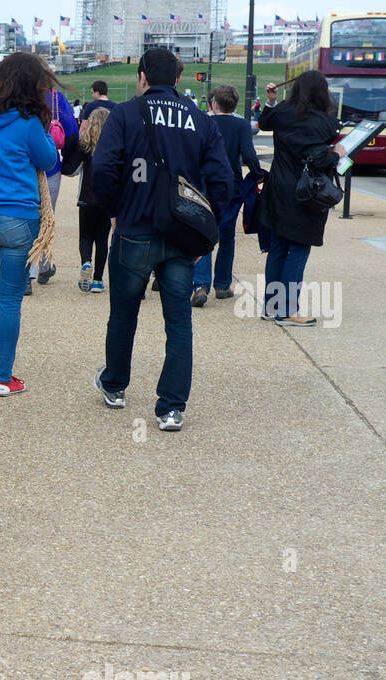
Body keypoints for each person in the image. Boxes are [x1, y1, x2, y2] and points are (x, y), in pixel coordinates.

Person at [90, 47, 231, 432]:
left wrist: (114, 207)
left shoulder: (125, 114)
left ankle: (116, 385)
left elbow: (103, 169)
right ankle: (171, 407)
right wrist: (210, 220)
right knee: (178, 321)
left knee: (123, 313)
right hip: (182, 233)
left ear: (142, 76)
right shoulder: (201, 121)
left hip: (135, 226)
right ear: (178, 79)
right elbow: (222, 181)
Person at [0, 51, 64, 397]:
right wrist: (45, 131)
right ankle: (3, 377)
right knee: (11, 300)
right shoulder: (27, 122)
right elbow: (49, 161)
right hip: (18, 218)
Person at [258, 75, 347, 325]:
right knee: (298, 249)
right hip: (305, 192)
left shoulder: (283, 112)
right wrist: (337, 154)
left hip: (277, 187)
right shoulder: (325, 121)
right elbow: (317, 159)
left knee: (277, 248)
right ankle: (287, 310)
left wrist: (271, 101)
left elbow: (264, 123)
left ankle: (271, 305)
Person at [191, 84, 263, 306]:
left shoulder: (203, 122)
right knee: (227, 236)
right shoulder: (242, 125)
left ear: (213, 103)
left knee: (203, 235)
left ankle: (200, 284)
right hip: (231, 185)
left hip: (205, 183)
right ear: (235, 104)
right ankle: (222, 284)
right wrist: (258, 173)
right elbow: (249, 154)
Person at [61, 106, 111, 293]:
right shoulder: (113, 148)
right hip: (106, 200)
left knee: (86, 236)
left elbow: (71, 170)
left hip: (86, 198)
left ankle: (86, 262)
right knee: (102, 239)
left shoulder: (84, 146)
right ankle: (98, 279)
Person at [34, 82, 79, 286]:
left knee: (19, 216)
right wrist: (67, 162)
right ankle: (43, 264)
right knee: (46, 216)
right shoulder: (55, 98)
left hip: (19, 166)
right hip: (49, 167)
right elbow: (71, 132)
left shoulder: (16, 96)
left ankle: (24, 271)